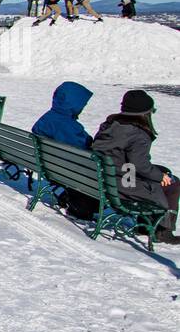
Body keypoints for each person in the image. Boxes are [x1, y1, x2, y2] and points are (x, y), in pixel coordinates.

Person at [91, 90, 179, 244]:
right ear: (145, 113)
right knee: (173, 183)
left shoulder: (110, 125)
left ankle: (145, 226)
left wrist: (159, 172)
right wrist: (159, 176)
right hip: (125, 183)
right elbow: (140, 166)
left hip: (107, 179)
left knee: (163, 173)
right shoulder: (138, 133)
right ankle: (164, 231)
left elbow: (129, 162)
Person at [32, 82, 99, 219]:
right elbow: (81, 149)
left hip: (53, 166)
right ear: (73, 104)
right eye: (82, 105)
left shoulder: (48, 117)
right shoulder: (66, 125)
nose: (83, 108)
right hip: (67, 171)